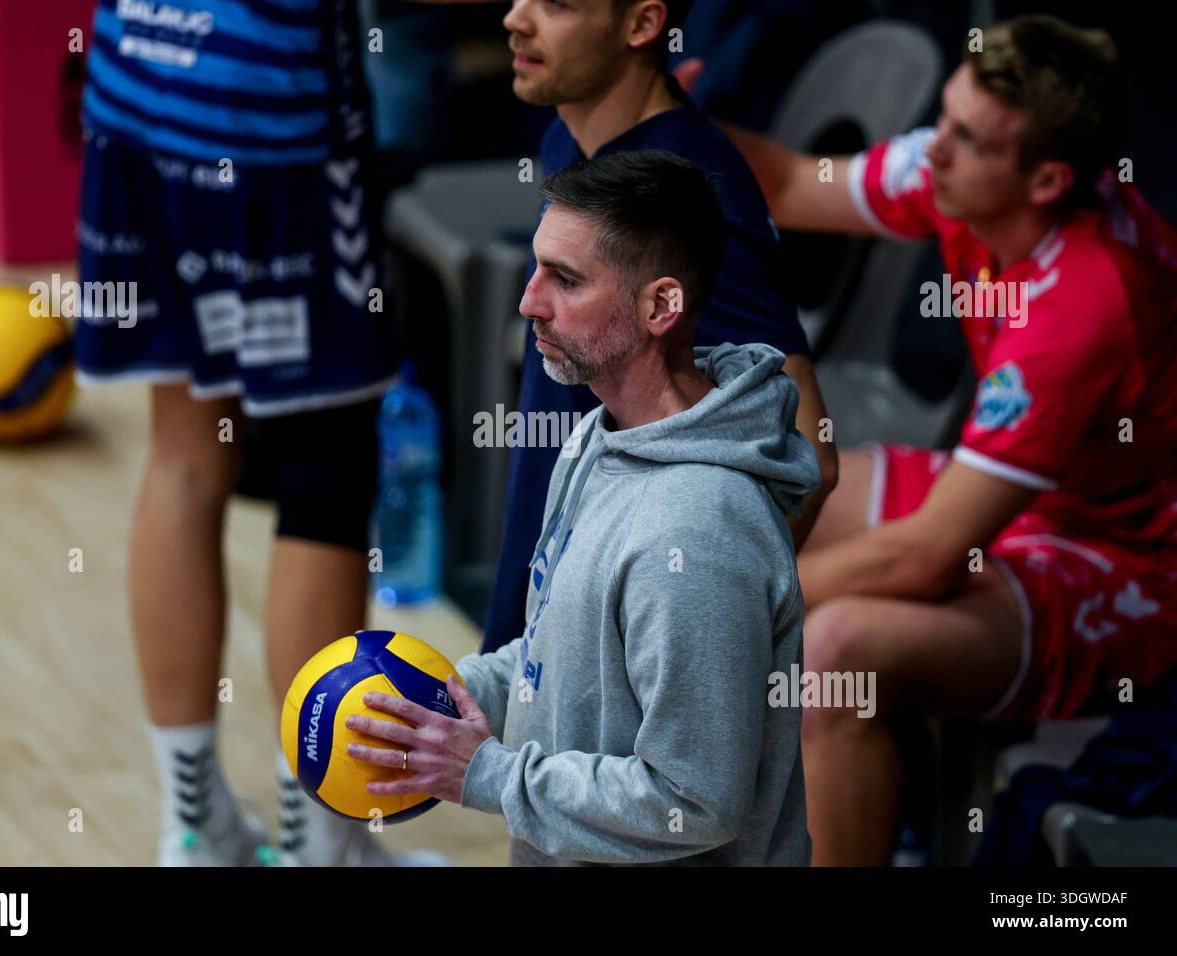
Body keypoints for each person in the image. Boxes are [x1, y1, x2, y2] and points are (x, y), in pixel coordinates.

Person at [716, 14, 1177, 864]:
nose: (933, 148)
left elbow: (929, 558)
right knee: (737, 489)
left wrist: (729, 601)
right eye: (945, 115)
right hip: (1022, 498)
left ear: (1046, 179)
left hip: (1121, 567)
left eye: (966, 137)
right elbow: (782, 183)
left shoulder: (1083, 300)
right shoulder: (962, 172)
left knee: (828, 654)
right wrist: (655, 113)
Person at [346, 150, 821, 865]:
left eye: (564, 280)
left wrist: (488, 774)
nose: (529, 301)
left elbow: (694, 799)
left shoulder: (698, 529)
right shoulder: (599, 437)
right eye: (536, 267)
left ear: (662, 306)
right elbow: (559, 660)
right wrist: (440, 700)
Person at [73, 0, 439, 866]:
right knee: (329, 471)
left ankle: (193, 831)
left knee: (184, 458)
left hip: (137, 93)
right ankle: (321, 840)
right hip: (271, 127)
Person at [481, 0, 837, 654]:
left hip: (600, 651)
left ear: (642, 26)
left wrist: (687, 620)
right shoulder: (573, 132)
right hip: (539, 601)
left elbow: (810, 453)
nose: (515, 18)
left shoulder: (691, 191)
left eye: (556, 4)